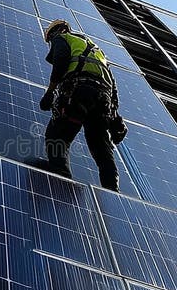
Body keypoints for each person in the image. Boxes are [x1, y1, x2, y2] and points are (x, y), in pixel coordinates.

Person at [38, 20, 127, 190]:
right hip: (103, 98)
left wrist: (50, 93)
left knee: (57, 134)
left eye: (50, 38)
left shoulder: (62, 37)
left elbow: (61, 59)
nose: (51, 42)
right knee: (100, 143)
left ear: (58, 31)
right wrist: (115, 117)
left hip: (79, 91)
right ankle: (112, 189)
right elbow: (112, 83)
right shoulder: (97, 50)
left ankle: (60, 174)